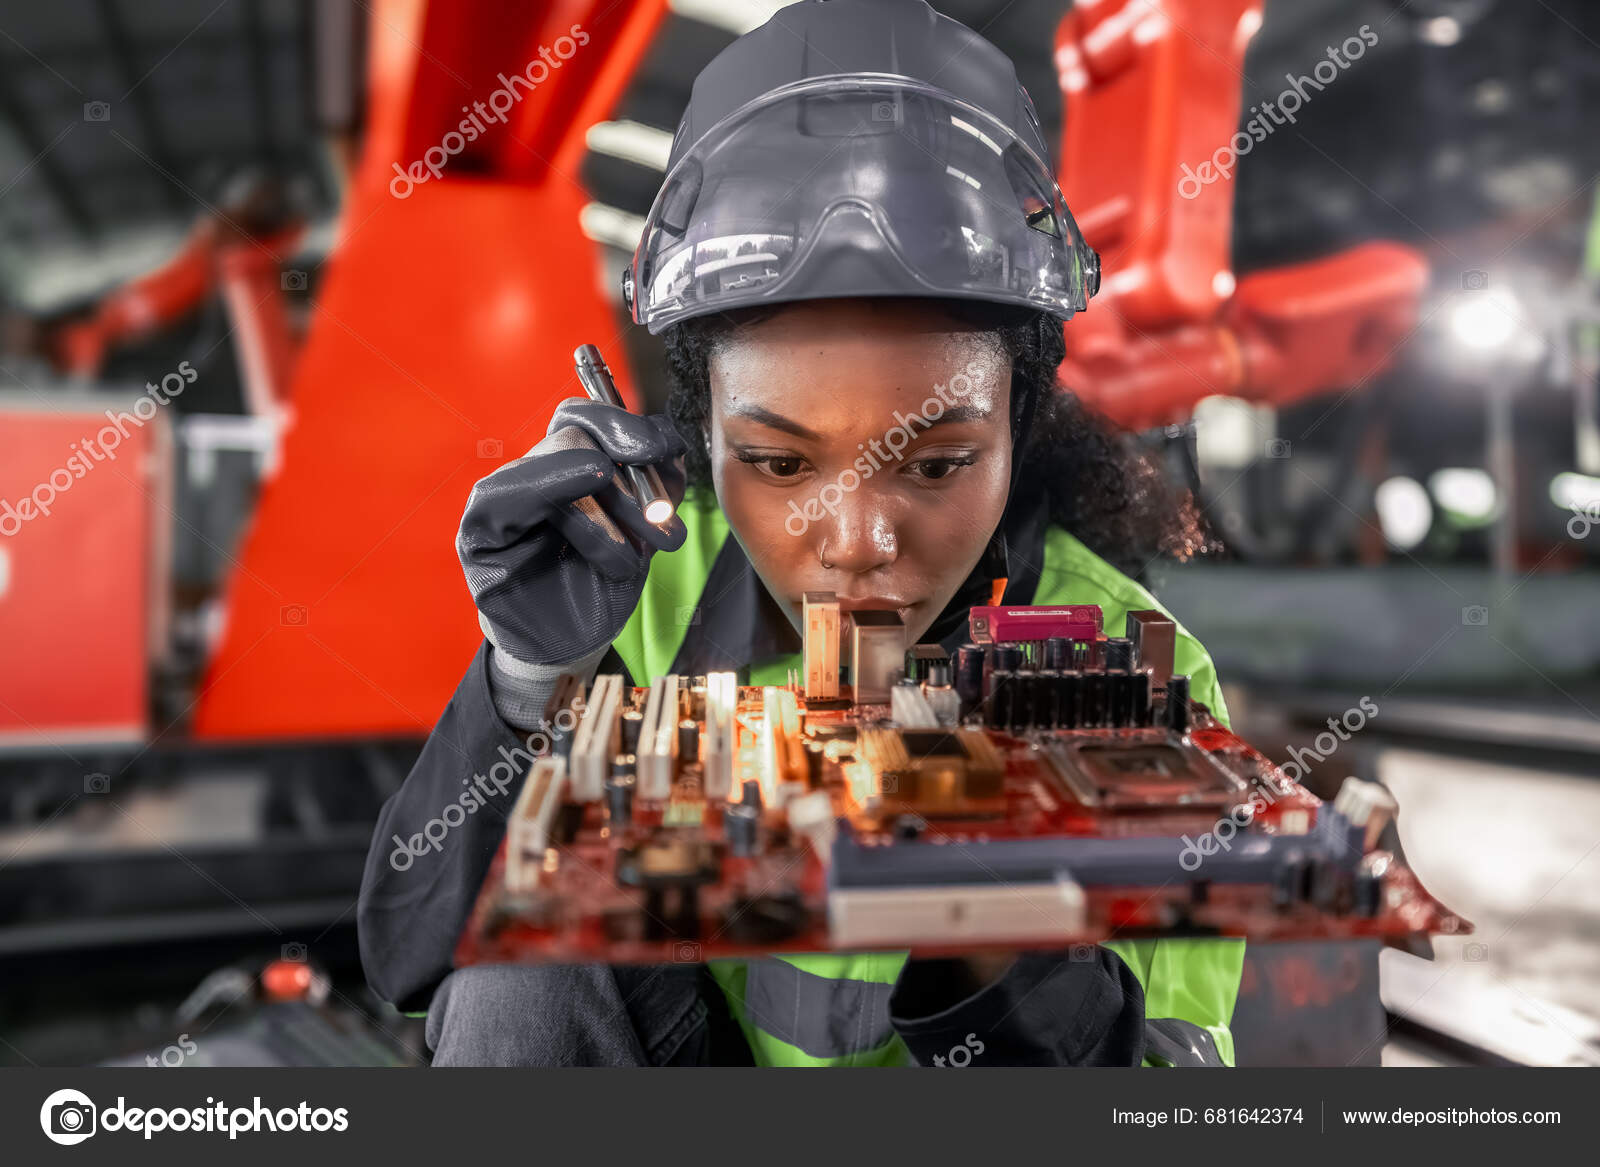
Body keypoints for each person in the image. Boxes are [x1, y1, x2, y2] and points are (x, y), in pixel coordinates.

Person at [358, 0, 1243, 1067]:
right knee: (518, 978)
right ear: (704, 441)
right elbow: (411, 960)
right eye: (780, 463)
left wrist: (1005, 946)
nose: (861, 539)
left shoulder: (1123, 677)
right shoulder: (641, 597)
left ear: (1020, 427)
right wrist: (528, 681)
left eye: (936, 462)